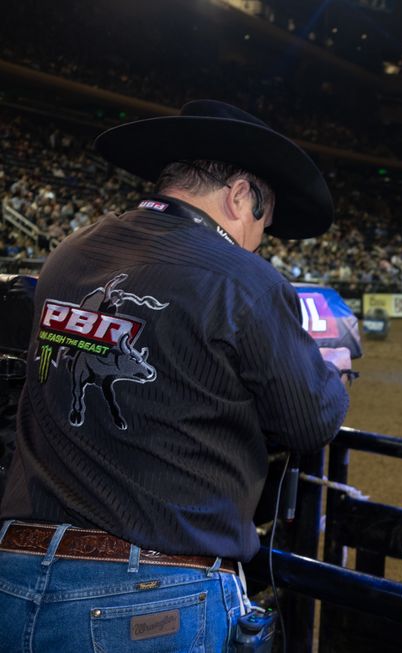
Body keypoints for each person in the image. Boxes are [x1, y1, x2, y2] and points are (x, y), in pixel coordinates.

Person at [0, 100, 350, 652]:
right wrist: (333, 367)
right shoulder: (244, 279)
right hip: (153, 593)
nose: (261, 239)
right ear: (239, 196)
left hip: (15, 571)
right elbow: (312, 420)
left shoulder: (70, 253)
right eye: (264, 221)